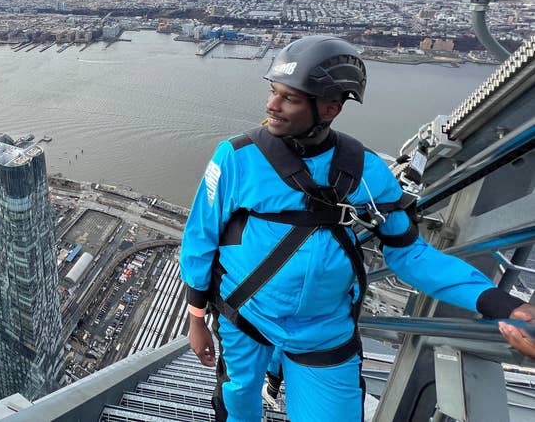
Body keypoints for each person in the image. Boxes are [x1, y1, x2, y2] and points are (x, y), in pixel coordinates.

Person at [179, 35, 535, 422]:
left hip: (323, 329)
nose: (271, 105)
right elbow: (201, 238)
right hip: (245, 314)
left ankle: (279, 367)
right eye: (273, 91)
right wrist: (197, 319)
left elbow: (410, 253)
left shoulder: (365, 170)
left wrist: (502, 304)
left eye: (289, 98)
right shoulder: (237, 157)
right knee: (237, 405)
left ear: (330, 108)